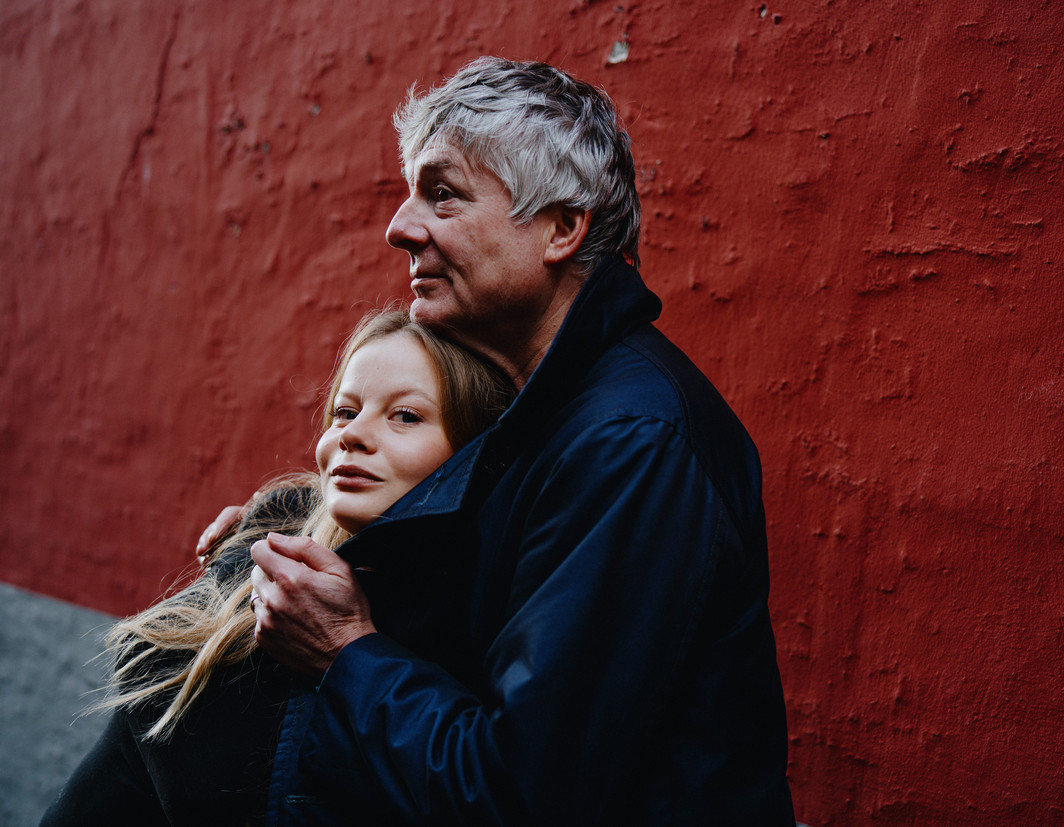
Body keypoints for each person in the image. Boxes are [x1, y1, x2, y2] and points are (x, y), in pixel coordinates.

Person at [248, 57, 796, 825]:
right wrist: (275, 522)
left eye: (442, 194)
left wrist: (346, 650)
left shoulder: (630, 443)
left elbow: (519, 794)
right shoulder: (555, 405)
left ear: (562, 229)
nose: (399, 227)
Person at [41, 308, 513, 826]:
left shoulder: (484, 631)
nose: (352, 435)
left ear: (473, 451)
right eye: (344, 412)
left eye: (405, 416)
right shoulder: (251, 571)